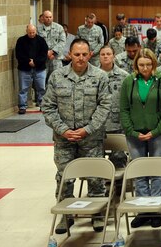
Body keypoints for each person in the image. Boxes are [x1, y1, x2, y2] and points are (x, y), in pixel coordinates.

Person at [42, 38, 111, 233]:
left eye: (84, 54)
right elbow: (48, 107)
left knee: (96, 178)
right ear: (69, 55)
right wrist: (62, 129)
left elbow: (105, 106)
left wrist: (87, 129)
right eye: (76, 54)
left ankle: (97, 215)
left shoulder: (99, 77)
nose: (80, 58)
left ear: (90, 54)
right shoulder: (57, 77)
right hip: (64, 139)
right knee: (64, 178)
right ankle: (66, 216)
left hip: (91, 139)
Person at [119, 48, 161, 228]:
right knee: (140, 171)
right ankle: (143, 210)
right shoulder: (129, 81)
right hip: (135, 134)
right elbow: (124, 109)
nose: (145, 68)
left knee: (157, 170)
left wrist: (157, 130)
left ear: (154, 64)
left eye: (148, 65)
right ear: (136, 65)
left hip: (157, 133)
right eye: (141, 65)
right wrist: (132, 131)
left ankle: (155, 209)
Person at [15, 24, 48, 114]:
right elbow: (19, 54)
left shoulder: (41, 41)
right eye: (30, 33)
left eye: (33, 32)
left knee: (41, 88)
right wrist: (28, 61)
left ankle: (43, 105)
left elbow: (44, 54)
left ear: (36, 31)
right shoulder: (21, 41)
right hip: (24, 69)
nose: (32, 34)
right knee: (23, 88)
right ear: (26, 32)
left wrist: (35, 62)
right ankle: (22, 106)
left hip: (39, 68)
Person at [37, 10, 66, 78]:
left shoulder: (59, 28)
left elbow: (62, 41)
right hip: (43, 59)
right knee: (42, 80)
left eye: (50, 17)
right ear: (43, 18)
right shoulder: (38, 29)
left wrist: (53, 52)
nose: (48, 19)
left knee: (57, 79)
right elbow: (36, 43)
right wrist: (46, 53)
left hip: (56, 58)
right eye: (46, 17)